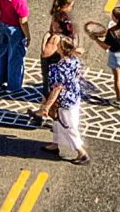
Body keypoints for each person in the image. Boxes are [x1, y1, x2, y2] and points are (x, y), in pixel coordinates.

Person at [37, 36, 91, 164]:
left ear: (61, 50)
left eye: (59, 46)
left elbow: (57, 89)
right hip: (74, 95)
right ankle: (55, 144)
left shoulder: (60, 68)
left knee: (68, 126)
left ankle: (81, 153)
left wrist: (46, 106)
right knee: (57, 122)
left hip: (65, 101)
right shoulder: (74, 60)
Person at [89, 6, 120, 110]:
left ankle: (119, 101)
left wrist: (96, 39)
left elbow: (105, 46)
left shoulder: (112, 32)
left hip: (116, 55)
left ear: (116, 18)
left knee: (118, 78)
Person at [0, 0, 31, 93]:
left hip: (3, 25)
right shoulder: (19, 0)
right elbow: (23, 21)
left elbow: (0, 8)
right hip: (15, 29)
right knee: (15, 57)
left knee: (2, 53)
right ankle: (13, 86)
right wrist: (27, 35)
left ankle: (0, 80)